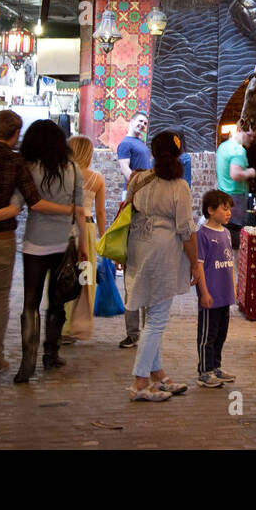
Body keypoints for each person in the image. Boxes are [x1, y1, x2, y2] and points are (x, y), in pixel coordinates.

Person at [0, 109, 82, 387]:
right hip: (33, 242)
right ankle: (29, 355)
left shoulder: (5, 163)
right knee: (32, 301)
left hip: (8, 242)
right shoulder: (53, 167)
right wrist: (75, 227)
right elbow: (63, 207)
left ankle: (0, 364)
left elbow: (3, 204)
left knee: (6, 303)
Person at [124, 131, 206, 401]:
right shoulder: (179, 186)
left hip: (138, 249)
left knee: (151, 315)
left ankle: (157, 373)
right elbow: (186, 229)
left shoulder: (138, 178)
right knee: (157, 319)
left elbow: (127, 209)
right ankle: (140, 382)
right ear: (179, 154)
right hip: (162, 254)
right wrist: (195, 264)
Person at [11, 119, 85, 383]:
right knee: (57, 300)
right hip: (65, 241)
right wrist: (83, 247)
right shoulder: (74, 169)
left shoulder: (29, 168)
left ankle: (27, 361)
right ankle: (51, 354)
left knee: (30, 303)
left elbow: (17, 203)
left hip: (34, 243)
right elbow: (80, 212)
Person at [62, 134, 107, 344]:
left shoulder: (62, 174)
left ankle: (61, 322)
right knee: (84, 277)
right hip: (87, 230)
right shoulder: (97, 178)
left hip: (62, 228)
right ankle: (78, 323)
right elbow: (100, 212)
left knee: (61, 274)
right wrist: (104, 237)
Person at [117, 111, 152, 348]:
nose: (142, 124)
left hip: (146, 200)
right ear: (131, 122)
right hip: (134, 198)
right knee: (133, 271)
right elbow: (125, 170)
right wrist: (139, 188)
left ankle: (148, 330)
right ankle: (133, 332)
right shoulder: (125, 144)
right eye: (139, 120)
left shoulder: (141, 145)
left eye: (145, 122)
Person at [195, 190, 237, 388]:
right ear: (210, 210)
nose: (228, 213)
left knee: (221, 334)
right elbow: (199, 266)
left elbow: (230, 262)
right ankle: (204, 371)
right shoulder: (202, 235)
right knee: (207, 335)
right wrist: (204, 292)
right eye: (224, 209)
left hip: (225, 295)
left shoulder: (227, 233)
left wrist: (234, 288)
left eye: (229, 209)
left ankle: (216, 367)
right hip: (210, 295)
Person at [216, 125, 256, 247]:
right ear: (239, 130)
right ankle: (233, 265)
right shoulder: (239, 150)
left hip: (222, 194)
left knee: (223, 234)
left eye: (253, 136)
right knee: (235, 238)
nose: (251, 139)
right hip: (235, 199)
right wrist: (251, 172)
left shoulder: (223, 147)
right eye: (249, 135)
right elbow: (235, 174)